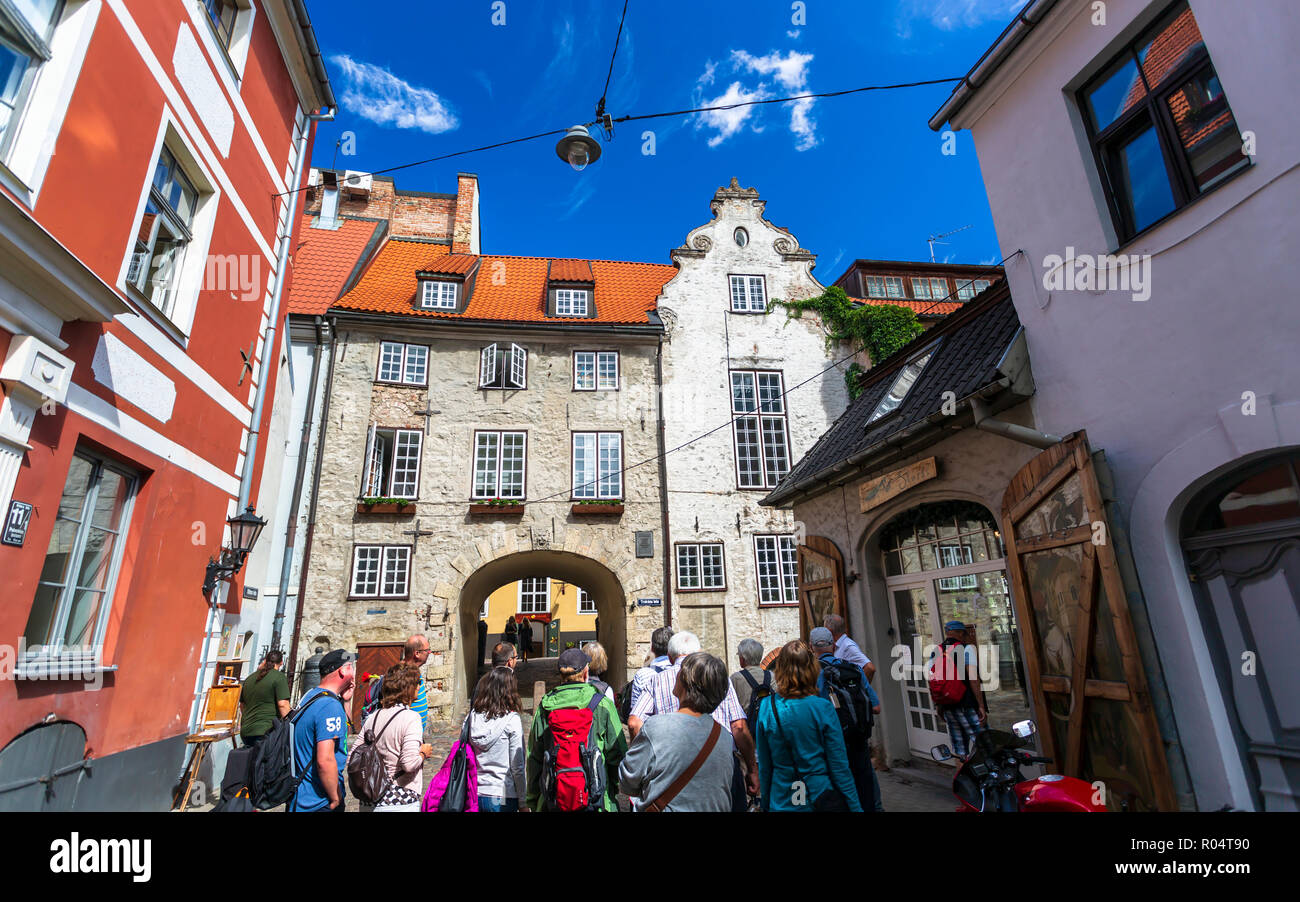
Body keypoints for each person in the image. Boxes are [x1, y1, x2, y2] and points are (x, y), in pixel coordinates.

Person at [629, 631, 760, 806]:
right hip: (720, 761)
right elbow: (738, 726)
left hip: (671, 764)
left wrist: (645, 758)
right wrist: (752, 769)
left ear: (669, 657)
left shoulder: (656, 681)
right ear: (699, 652)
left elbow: (634, 721)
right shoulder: (717, 678)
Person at [619, 652, 736, 812]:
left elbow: (628, 781)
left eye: (681, 670)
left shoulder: (656, 727)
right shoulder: (723, 736)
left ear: (686, 682)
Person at [756, 640, 862, 812]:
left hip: (782, 799)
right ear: (812, 669)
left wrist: (766, 803)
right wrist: (855, 807)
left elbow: (765, 767)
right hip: (819, 798)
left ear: (779, 670)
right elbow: (839, 767)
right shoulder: (823, 708)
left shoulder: (767, 707)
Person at [525, 648, 627, 811]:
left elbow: (534, 757)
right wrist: (610, 789)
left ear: (560, 675)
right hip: (596, 800)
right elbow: (617, 752)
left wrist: (532, 800)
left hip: (554, 801)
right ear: (586, 673)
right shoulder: (602, 704)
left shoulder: (545, 706)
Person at [811, 627, 882, 812]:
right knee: (865, 781)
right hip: (859, 736)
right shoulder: (854, 669)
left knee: (841, 786)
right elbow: (876, 707)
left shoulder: (815, 674)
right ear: (834, 646)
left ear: (811, 648)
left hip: (833, 740)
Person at [347, 662, 433, 811]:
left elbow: (352, 757)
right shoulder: (411, 718)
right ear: (407, 688)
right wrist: (423, 753)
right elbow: (409, 763)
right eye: (416, 683)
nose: (419, 686)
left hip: (370, 800)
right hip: (399, 800)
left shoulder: (373, 717)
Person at [291, 648, 355, 811]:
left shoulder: (311, 695)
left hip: (300, 795)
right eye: (351, 666)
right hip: (317, 800)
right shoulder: (329, 706)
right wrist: (335, 797)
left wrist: (345, 700)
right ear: (343, 671)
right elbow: (325, 760)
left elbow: (343, 732)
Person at [468, 666, 527, 812]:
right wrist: (523, 801)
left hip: (474, 793)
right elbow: (517, 766)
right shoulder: (511, 721)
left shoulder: (472, 718)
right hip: (503, 794)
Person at [931, 621, 987, 758]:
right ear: (960, 633)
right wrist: (981, 705)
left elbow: (934, 680)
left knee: (960, 752)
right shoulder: (966, 649)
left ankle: (963, 777)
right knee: (986, 745)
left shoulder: (936, 651)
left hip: (948, 706)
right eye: (964, 634)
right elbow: (973, 679)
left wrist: (939, 705)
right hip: (967, 704)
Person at [240, 649, 290, 750]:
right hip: (266, 731)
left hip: (246, 731)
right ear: (281, 662)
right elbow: (283, 705)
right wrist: (290, 725)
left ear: (265, 660)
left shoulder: (249, 678)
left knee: (250, 763)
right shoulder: (279, 677)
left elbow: (242, 705)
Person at [627, 626, 673, 715]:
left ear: (652, 648)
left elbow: (635, 711)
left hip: (652, 726)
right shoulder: (682, 671)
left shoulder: (643, 674)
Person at [824, 613, 876, 682]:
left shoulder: (848, 646)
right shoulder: (839, 645)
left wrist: (859, 689)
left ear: (830, 631)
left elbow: (870, 668)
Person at [401, 634, 432, 733]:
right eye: (427, 650)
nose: (429, 653)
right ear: (417, 653)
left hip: (415, 733)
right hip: (408, 734)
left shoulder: (413, 670)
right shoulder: (402, 674)